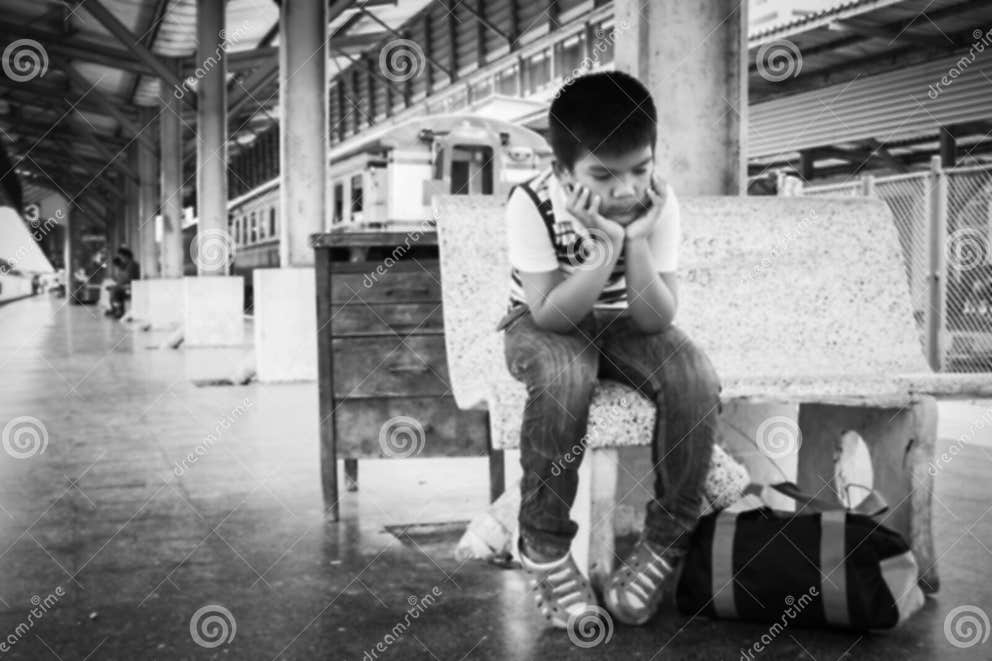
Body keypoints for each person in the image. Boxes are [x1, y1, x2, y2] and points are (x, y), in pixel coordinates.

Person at [498, 71, 722, 629]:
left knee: (694, 375)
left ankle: (663, 544)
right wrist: (603, 250)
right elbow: (550, 313)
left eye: (639, 170)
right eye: (603, 175)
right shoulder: (530, 203)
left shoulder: (656, 205)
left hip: (625, 322)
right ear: (562, 172)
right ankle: (545, 547)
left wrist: (637, 238)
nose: (625, 190)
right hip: (544, 321)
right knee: (567, 374)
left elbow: (654, 318)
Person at [107, 247, 140, 319]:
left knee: (115, 291)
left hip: (132, 286)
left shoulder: (132, 265)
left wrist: (119, 285)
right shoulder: (125, 266)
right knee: (113, 290)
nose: (121, 259)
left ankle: (118, 310)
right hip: (125, 285)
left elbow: (128, 278)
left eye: (121, 257)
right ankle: (115, 309)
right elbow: (121, 278)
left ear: (126, 256)